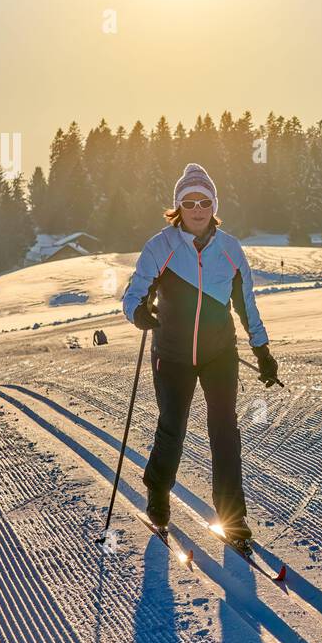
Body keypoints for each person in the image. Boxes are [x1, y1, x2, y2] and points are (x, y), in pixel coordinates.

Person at [121, 163, 280, 556]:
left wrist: (262, 350)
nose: (197, 208)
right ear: (178, 206)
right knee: (172, 428)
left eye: (204, 202)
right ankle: (158, 494)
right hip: (171, 354)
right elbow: (132, 293)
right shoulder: (160, 246)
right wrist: (138, 313)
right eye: (189, 202)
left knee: (225, 432)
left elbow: (247, 307)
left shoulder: (230, 250)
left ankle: (233, 516)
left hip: (218, 354)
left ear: (214, 206)